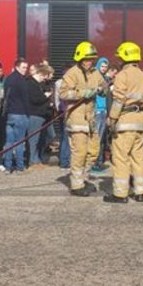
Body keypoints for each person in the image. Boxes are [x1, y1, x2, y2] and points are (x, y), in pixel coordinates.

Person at [104, 42, 143, 204]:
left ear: (124, 57)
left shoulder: (122, 76)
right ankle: (140, 191)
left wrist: (112, 120)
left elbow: (118, 100)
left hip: (125, 122)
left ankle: (120, 194)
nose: (118, 61)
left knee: (121, 158)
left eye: (119, 58)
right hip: (140, 123)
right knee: (138, 158)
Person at [60, 41, 106, 197]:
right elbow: (64, 94)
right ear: (79, 58)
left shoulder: (95, 72)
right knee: (79, 153)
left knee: (93, 152)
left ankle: (84, 179)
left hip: (91, 119)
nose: (89, 62)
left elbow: (104, 87)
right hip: (76, 119)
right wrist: (83, 93)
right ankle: (76, 185)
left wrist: (101, 89)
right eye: (86, 59)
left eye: (91, 59)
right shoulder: (71, 73)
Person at [1, 58, 31, 174]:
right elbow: (25, 98)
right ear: (17, 67)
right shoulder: (21, 80)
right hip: (21, 113)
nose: (25, 70)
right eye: (23, 67)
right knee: (19, 142)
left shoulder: (8, 79)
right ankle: (19, 166)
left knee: (9, 142)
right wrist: (28, 113)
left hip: (10, 113)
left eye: (26, 68)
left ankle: (7, 166)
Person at [27, 64, 54, 170]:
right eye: (44, 76)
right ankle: (32, 161)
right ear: (41, 74)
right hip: (35, 114)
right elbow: (35, 99)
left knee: (38, 139)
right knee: (33, 140)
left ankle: (36, 159)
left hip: (41, 114)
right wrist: (45, 96)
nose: (44, 79)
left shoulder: (37, 84)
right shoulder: (31, 84)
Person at [90, 57, 111, 176]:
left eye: (105, 67)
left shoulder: (106, 78)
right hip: (97, 110)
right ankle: (94, 163)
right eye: (102, 66)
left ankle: (99, 161)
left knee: (102, 138)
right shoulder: (94, 77)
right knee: (96, 138)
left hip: (104, 110)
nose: (104, 69)